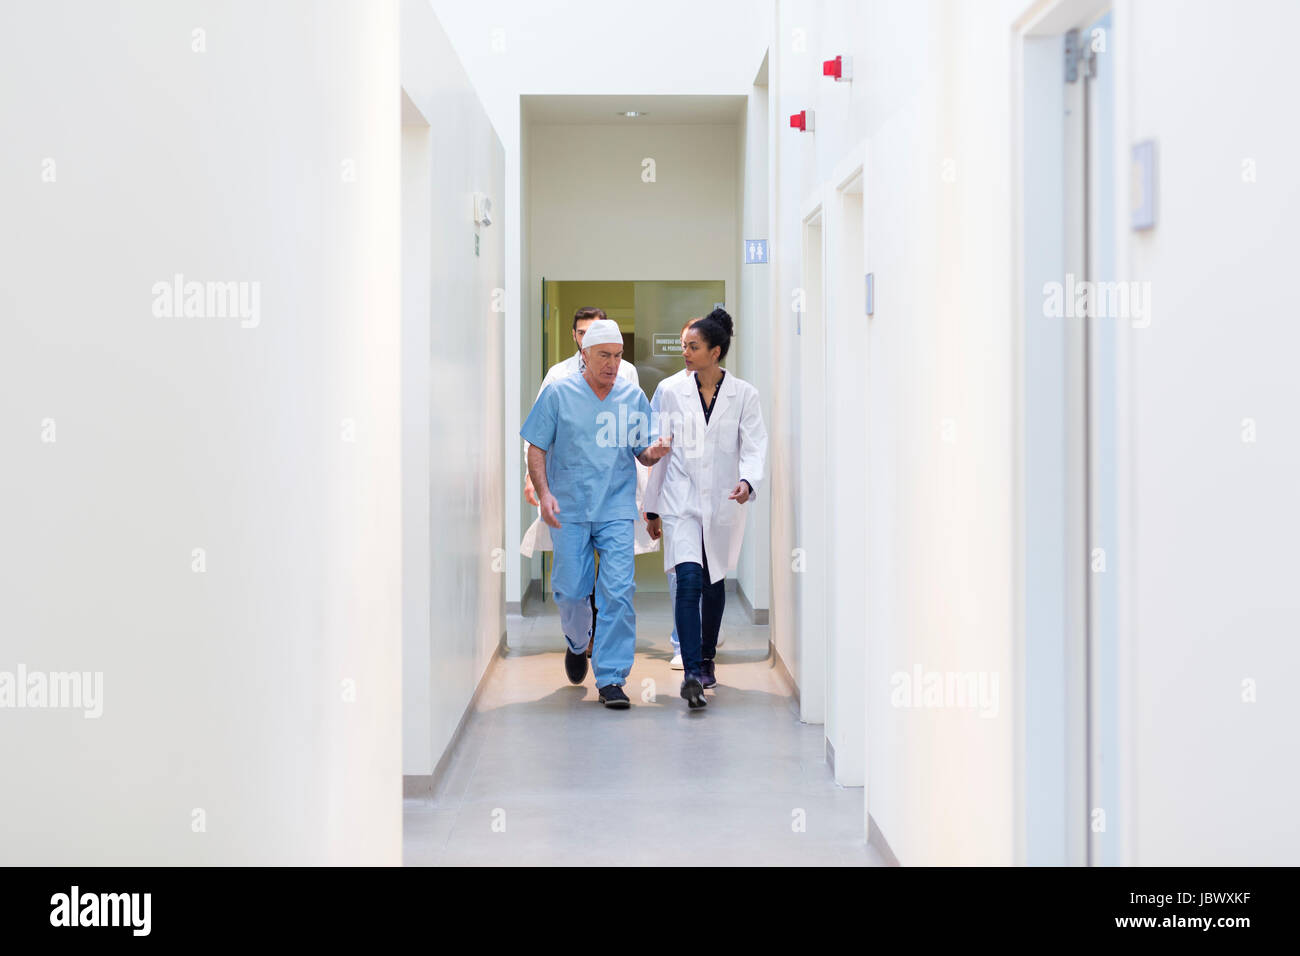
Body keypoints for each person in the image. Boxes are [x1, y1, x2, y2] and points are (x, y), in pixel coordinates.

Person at [521, 319, 671, 708]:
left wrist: (656, 451)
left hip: (616, 507)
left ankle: (611, 678)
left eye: (618, 356)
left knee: (618, 592)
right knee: (571, 591)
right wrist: (544, 492)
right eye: (604, 355)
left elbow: (642, 450)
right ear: (584, 354)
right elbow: (536, 447)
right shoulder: (557, 393)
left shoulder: (632, 396)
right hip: (568, 508)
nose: (612, 363)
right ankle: (576, 641)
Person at [643, 309, 767, 709]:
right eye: (684, 346)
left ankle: (708, 657)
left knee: (714, 583)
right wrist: (651, 508)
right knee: (689, 580)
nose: (686, 353)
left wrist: (749, 481)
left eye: (693, 347)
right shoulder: (669, 390)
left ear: (715, 351)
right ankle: (693, 672)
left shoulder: (744, 395)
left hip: (723, 501)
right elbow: (658, 450)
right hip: (680, 499)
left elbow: (753, 445)